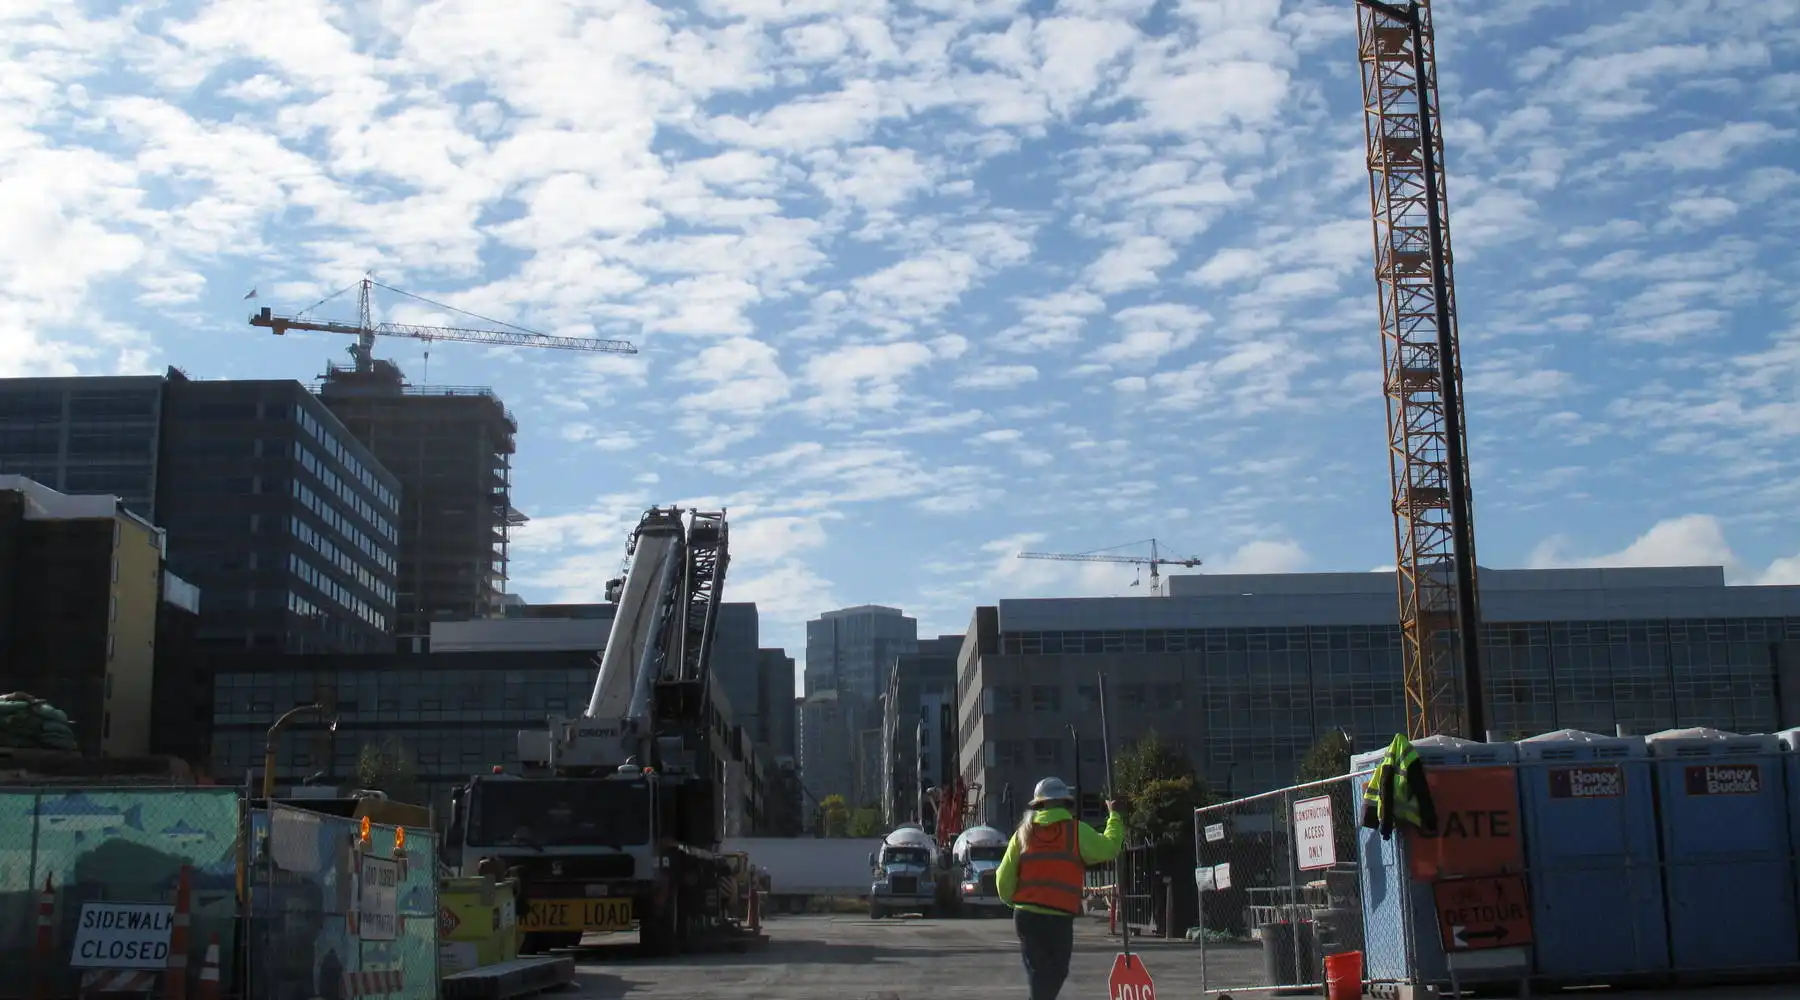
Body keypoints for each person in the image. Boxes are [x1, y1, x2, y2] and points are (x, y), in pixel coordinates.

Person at [995, 777, 1126, 1000]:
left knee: (1039, 973)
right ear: (1066, 803)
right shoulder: (1076, 832)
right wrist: (1114, 816)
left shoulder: (1023, 834)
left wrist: (1013, 901)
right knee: (1055, 972)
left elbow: (1003, 878)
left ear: (1038, 804)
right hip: (1059, 917)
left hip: (1027, 915)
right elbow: (1109, 848)